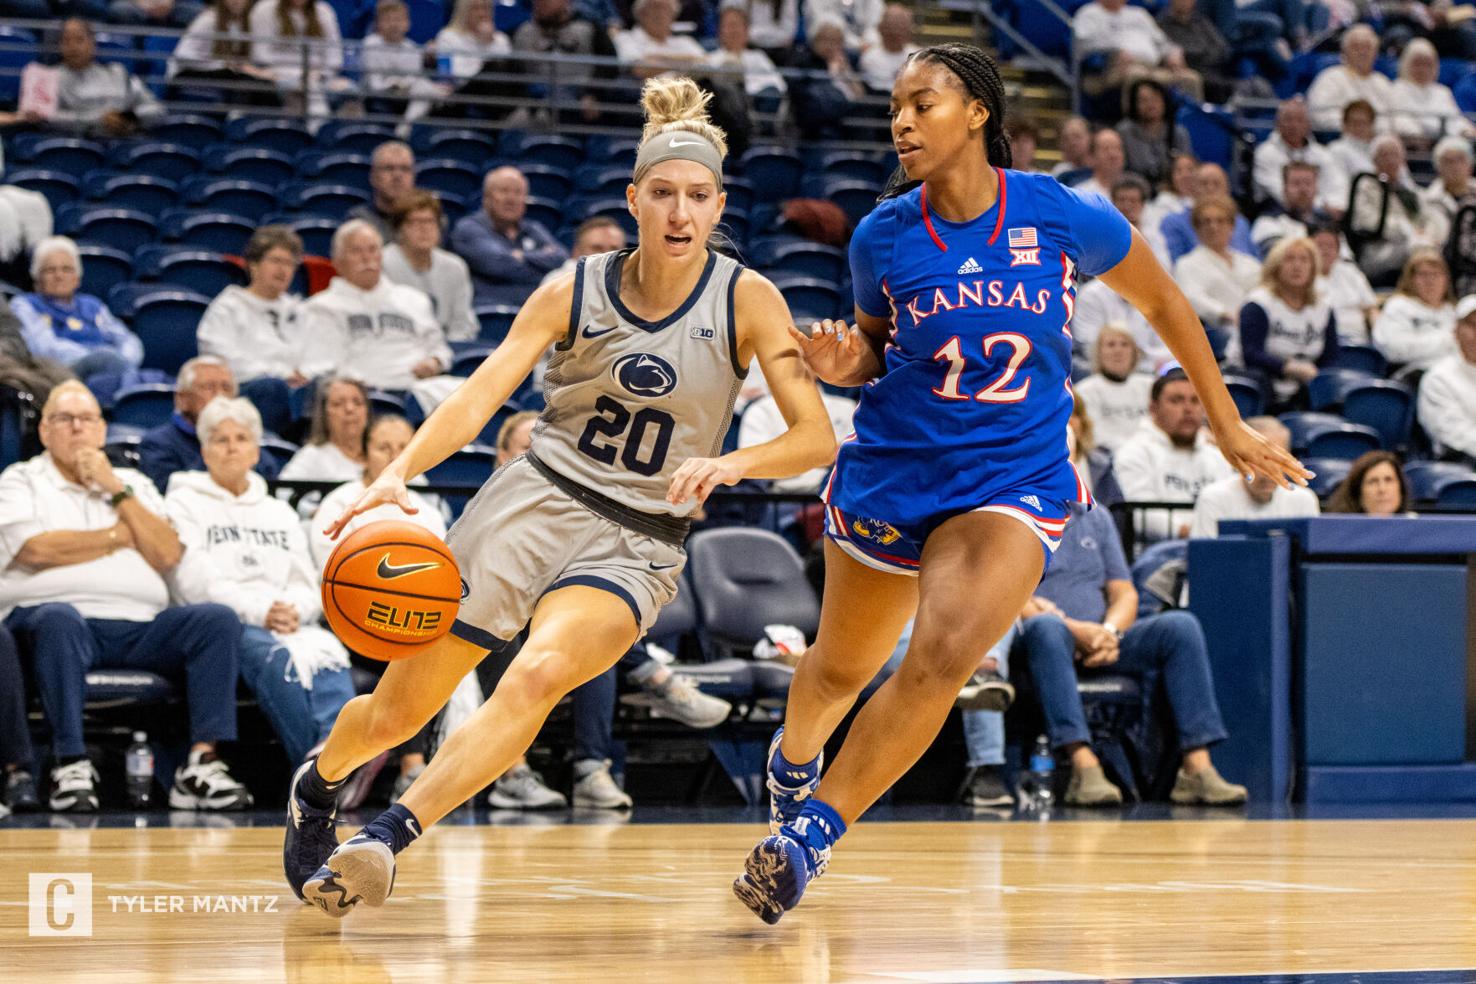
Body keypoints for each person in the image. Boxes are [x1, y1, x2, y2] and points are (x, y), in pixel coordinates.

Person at [729, 43, 1304, 924]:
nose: (902, 122)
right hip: (898, 468)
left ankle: (808, 838)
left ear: (978, 114)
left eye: (922, 104)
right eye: (894, 109)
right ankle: (794, 759)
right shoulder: (883, 233)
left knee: (942, 655)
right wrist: (847, 361)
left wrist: (1227, 423)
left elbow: (1164, 303)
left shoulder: (1063, 213)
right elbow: (878, 347)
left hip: (1012, 476)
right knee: (839, 671)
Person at [285, 77, 836, 916]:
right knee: (397, 712)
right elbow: (481, 395)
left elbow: (815, 437)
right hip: (533, 501)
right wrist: (397, 473)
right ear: (633, 200)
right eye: (662, 194)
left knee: (539, 674)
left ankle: (385, 838)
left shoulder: (748, 298)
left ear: (719, 205)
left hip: (640, 536)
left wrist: (733, 463)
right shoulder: (572, 288)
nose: (680, 212)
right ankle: (321, 783)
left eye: (697, 196)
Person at [0, 382, 252, 812]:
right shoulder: (20, 479)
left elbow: (167, 551)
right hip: (52, 625)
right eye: (65, 419)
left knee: (216, 620)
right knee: (59, 617)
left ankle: (200, 765)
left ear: (102, 430)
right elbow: (36, 549)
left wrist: (114, 488)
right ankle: (70, 763)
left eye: (87, 419)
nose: (77, 428)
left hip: (139, 626)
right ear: (44, 431)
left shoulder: (133, 483)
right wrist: (121, 535)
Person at [1012, 498, 1247, 807]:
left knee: (1180, 626)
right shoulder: (1014, 513)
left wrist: (1108, 634)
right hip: (1040, 638)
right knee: (1047, 627)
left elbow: (1124, 592)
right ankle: (1084, 766)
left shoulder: (1097, 516)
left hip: (1101, 639)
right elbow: (1007, 594)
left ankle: (1196, 768)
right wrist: (1074, 630)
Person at [164, 397, 355, 765]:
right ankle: (323, 769)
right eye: (220, 440)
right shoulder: (182, 504)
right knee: (274, 657)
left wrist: (296, 610)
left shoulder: (278, 511)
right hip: (229, 623)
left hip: (287, 619)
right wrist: (260, 611)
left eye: (241, 438)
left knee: (328, 652)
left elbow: (305, 579)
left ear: (256, 451)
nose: (232, 447)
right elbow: (193, 581)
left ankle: (341, 754)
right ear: (204, 452)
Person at [309, 412, 451, 804]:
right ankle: (412, 767)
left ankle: (500, 769)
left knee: (430, 636)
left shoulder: (427, 509)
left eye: (402, 448)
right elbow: (331, 576)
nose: (393, 456)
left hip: (407, 618)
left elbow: (443, 578)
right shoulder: (340, 501)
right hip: (350, 621)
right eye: (383, 447)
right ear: (363, 453)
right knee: (411, 642)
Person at [301, 221, 458, 416]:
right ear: (338, 261)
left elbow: (439, 349)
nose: (366, 257)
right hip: (364, 396)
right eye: (356, 251)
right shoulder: (320, 308)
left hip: (418, 390)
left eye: (372, 249)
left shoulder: (413, 300)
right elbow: (325, 367)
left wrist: (434, 361)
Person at [196, 225, 310, 436]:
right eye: (276, 261)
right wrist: (280, 373)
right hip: (246, 391)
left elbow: (314, 354)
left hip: (293, 391)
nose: (283, 269)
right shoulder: (229, 306)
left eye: (289, 263)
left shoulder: (300, 310)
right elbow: (219, 361)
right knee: (271, 388)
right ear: (253, 265)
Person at [9, 236, 143, 405]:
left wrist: (122, 360)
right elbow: (45, 349)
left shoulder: (93, 305)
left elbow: (128, 339)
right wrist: (96, 357)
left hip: (111, 368)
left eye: (66, 269)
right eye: (50, 270)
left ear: (77, 278)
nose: (59, 276)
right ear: (37, 280)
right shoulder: (25, 305)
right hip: (62, 374)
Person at [1112, 368, 1237, 541]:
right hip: (1158, 551)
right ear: (1153, 408)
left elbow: (1231, 505)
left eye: (1195, 401)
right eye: (1176, 400)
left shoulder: (1217, 456)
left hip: (1215, 546)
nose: (1188, 409)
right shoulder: (1134, 453)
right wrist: (1195, 534)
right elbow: (1140, 515)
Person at [138, 356, 281, 495]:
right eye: (208, 387)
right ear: (182, 399)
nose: (219, 395)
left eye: (226, 388)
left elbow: (268, 484)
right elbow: (165, 494)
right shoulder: (158, 444)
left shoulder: (249, 444)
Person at [1238, 236, 1339, 408]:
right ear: (1275, 266)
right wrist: (1289, 367)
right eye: (1289, 259)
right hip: (1260, 380)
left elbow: (1331, 357)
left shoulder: (1324, 307)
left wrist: (1316, 375)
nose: (1297, 266)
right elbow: (1251, 354)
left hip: (1303, 385)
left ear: (1313, 267)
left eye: (1304, 260)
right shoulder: (1258, 303)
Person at [451, 166, 570, 307]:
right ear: (486, 197)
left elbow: (561, 258)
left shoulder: (533, 228)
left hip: (533, 310)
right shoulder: (469, 228)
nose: (511, 199)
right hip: (490, 311)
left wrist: (520, 256)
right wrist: (541, 264)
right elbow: (497, 265)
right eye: (504, 191)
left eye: (518, 192)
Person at [1189, 416, 1320, 536]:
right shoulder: (1213, 498)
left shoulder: (1304, 500)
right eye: (1260, 459)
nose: (1269, 471)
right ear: (1240, 458)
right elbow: (1203, 554)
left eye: (1278, 459)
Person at [382, 191, 479, 343]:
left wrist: (444, 351)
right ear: (399, 228)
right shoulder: (382, 263)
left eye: (430, 221)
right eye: (415, 222)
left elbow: (463, 323)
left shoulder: (455, 267)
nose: (424, 229)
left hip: (447, 347)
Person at [43, 19, 164, 138]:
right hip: (79, 142)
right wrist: (99, 120)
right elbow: (47, 116)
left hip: (126, 139)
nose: (73, 47)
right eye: (66, 41)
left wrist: (127, 118)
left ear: (92, 43)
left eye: (79, 40)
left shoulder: (118, 73)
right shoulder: (50, 77)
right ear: (59, 46)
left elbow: (155, 109)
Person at [1173, 197, 1261, 356]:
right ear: (1197, 228)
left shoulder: (1251, 263)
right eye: (1206, 222)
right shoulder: (1187, 264)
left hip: (1253, 329)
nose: (1213, 227)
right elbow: (1192, 297)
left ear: (1231, 226)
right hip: (1216, 334)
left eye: (1220, 221)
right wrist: (1225, 314)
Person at [249, 0, 351, 119]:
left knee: (351, 92)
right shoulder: (264, 9)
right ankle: (298, 129)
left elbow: (335, 57)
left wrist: (322, 74)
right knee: (297, 93)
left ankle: (339, 130)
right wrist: (299, 73)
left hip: (319, 76)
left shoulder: (324, 11)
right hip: (278, 75)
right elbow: (261, 55)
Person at [167, 0, 280, 104]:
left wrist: (254, 71)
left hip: (222, 72)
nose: (237, 1)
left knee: (263, 85)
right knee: (245, 82)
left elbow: (237, 62)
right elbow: (182, 56)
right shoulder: (209, 20)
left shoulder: (241, 22)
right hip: (190, 74)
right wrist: (222, 64)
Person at [361, 0, 451, 124]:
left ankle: (407, 126)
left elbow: (413, 80)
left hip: (407, 96)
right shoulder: (370, 44)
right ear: (378, 23)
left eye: (398, 20)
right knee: (425, 88)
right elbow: (374, 84)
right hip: (379, 96)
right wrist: (394, 83)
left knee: (422, 89)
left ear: (408, 23)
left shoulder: (412, 48)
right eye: (388, 20)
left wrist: (403, 84)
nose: (394, 25)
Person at [1372, 250, 1459, 373]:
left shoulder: (1453, 311)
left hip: (1454, 373)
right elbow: (1392, 349)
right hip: (1412, 373)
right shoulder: (1399, 305)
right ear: (1410, 279)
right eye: (1423, 274)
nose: (1430, 281)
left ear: (1446, 280)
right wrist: (1448, 340)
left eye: (1436, 274)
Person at [1074, 323, 1154, 451]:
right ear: (1099, 353)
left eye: (1124, 344)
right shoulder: (1084, 391)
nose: (1118, 351)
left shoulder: (1150, 386)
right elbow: (1093, 435)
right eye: (1111, 345)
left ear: (1134, 352)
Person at [1416, 296, 1476, 463]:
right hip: (1461, 465)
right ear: (1456, 330)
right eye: (1472, 325)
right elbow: (1456, 435)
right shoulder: (1438, 378)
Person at [1250, 99, 1335, 214]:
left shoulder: (1322, 154)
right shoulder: (1265, 153)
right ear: (1277, 124)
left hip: (1319, 214)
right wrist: (1322, 206)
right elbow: (1282, 194)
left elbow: (1334, 187)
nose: (1294, 125)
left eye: (1300, 120)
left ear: (1309, 125)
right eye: (1288, 119)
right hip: (1275, 213)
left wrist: (1331, 207)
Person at [1160, 162, 1257, 261]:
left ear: (1227, 190)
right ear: (1193, 189)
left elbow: (1255, 260)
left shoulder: (1240, 222)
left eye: (1216, 184)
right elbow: (1174, 263)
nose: (1210, 189)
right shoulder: (1173, 222)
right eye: (1204, 184)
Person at [280, 376, 370, 481]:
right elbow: (284, 488)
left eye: (357, 402)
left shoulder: (380, 452)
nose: (350, 409)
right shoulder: (311, 455)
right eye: (338, 404)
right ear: (324, 414)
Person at [1306, 26, 1393, 132]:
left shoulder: (1383, 82)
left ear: (1376, 53)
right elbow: (1318, 115)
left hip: (1381, 137)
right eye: (1356, 47)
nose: (1363, 52)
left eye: (1368, 47)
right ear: (1344, 52)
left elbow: (1394, 118)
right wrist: (1357, 126)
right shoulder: (1330, 78)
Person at [1389, 38, 1475, 145]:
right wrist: (1418, 136)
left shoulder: (1442, 91)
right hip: (1417, 144)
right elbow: (1400, 120)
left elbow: (1456, 119)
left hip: (1448, 143)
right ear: (1406, 64)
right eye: (1417, 64)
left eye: (1427, 64)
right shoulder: (1398, 88)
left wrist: (1465, 130)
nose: (1423, 69)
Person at [1311, 221, 1378, 346]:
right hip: (1320, 341)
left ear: (1338, 251)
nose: (1325, 250)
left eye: (1330, 246)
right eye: (1320, 245)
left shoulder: (1351, 271)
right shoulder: (1303, 276)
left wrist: (1379, 336)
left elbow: (1371, 308)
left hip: (1358, 340)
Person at [1115, 78, 1190, 187]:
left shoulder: (1178, 133)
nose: (1150, 105)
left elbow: (1186, 167)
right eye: (1144, 100)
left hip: (1170, 190)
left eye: (1155, 99)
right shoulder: (1124, 132)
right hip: (1133, 188)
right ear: (1134, 104)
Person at [707, 4, 788, 103]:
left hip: (757, 104)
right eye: (729, 25)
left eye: (737, 25)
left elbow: (779, 86)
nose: (733, 30)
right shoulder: (711, 59)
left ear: (746, 30)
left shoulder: (758, 57)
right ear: (720, 31)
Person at [1250, 161, 1329, 255]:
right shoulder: (1267, 222)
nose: (1303, 189)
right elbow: (1281, 258)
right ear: (1284, 189)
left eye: (1308, 183)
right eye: (1296, 183)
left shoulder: (1327, 222)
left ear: (1316, 188)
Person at [614, 0, 706, 78]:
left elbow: (705, 63)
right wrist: (687, 61)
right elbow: (639, 69)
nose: (660, 14)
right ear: (641, 13)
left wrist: (657, 59)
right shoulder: (625, 38)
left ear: (674, 16)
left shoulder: (685, 41)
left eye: (666, 9)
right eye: (655, 7)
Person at [348, 142, 416, 241]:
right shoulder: (358, 221)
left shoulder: (428, 220)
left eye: (405, 169)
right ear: (373, 177)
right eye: (389, 168)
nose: (397, 176)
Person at [1325, 450, 1411, 515]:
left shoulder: (1415, 524)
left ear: (1401, 487)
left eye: (1389, 480)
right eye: (1373, 481)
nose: (1382, 489)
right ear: (1358, 492)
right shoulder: (1339, 529)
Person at [858, 4, 918, 92]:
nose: (896, 32)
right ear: (881, 29)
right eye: (892, 27)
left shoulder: (919, 55)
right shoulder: (870, 57)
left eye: (902, 27)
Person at [1074, 128, 1127, 201]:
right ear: (1092, 157)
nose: (1113, 154)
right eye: (1106, 149)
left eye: (1118, 148)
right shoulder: (1081, 194)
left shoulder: (1136, 191)